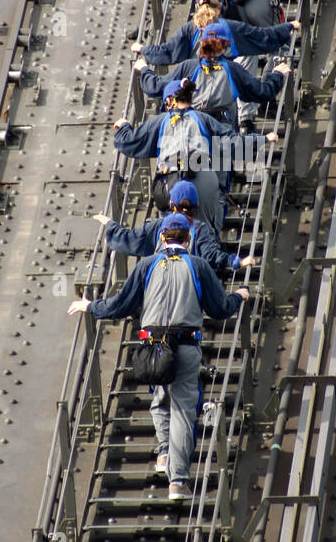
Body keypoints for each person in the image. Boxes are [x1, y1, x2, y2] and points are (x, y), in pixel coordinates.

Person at [69, 217, 249, 499]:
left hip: (151, 348)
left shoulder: (146, 264)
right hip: (186, 347)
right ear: (188, 240)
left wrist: (90, 306)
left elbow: (120, 304)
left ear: (163, 238)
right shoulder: (198, 266)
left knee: (159, 399)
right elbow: (220, 308)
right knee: (182, 412)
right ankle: (177, 481)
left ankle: (163, 452)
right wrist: (239, 296)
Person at [112, 77, 278, 231]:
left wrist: (123, 127)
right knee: (204, 233)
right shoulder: (203, 119)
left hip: (172, 182)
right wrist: (263, 139)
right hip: (203, 178)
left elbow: (129, 143)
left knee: (174, 230)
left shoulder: (160, 121)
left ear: (170, 101)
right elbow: (233, 142)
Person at [134, 21, 291, 126]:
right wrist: (276, 74)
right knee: (221, 171)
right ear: (225, 45)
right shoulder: (232, 70)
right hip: (222, 133)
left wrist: (144, 69)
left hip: (193, 129)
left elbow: (155, 88)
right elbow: (262, 92)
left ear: (201, 44)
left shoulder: (188, 67)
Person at [93, 179, 256, 276]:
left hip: (160, 284)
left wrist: (110, 224)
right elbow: (211, 255)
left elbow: (129, 240)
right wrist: (237, 262)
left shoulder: (158, 225)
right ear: (195, 205)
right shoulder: (200, 229)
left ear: (171, 204)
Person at [130, 0, 300, 67]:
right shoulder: (229, 27)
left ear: (196, 7)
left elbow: (167, 52)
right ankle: (245, 120)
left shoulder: (188, 30)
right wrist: (288, 27)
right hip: (222, 81)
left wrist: (143, 50)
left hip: (196, 84)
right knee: (248, 57)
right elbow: (262, 36)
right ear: (220, 6)